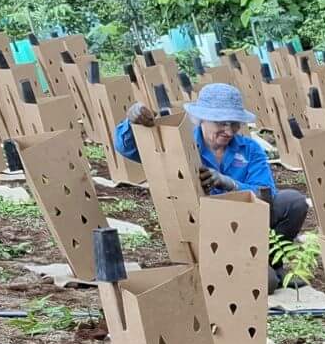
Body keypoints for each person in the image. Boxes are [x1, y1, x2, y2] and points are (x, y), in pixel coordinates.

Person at [115, 82, 308, 287]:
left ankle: (267, 260)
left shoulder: (250, 149)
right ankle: (242, 268)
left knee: (293, 202)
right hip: (205, 232)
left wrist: (230, 184)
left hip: (245, 225)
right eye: (221, 123)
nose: (229, 131)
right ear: (202, 119)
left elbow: (265, 193)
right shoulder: (180, 145)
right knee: (265, 283)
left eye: (234, 124)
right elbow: (126, 148)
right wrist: (131, 121)